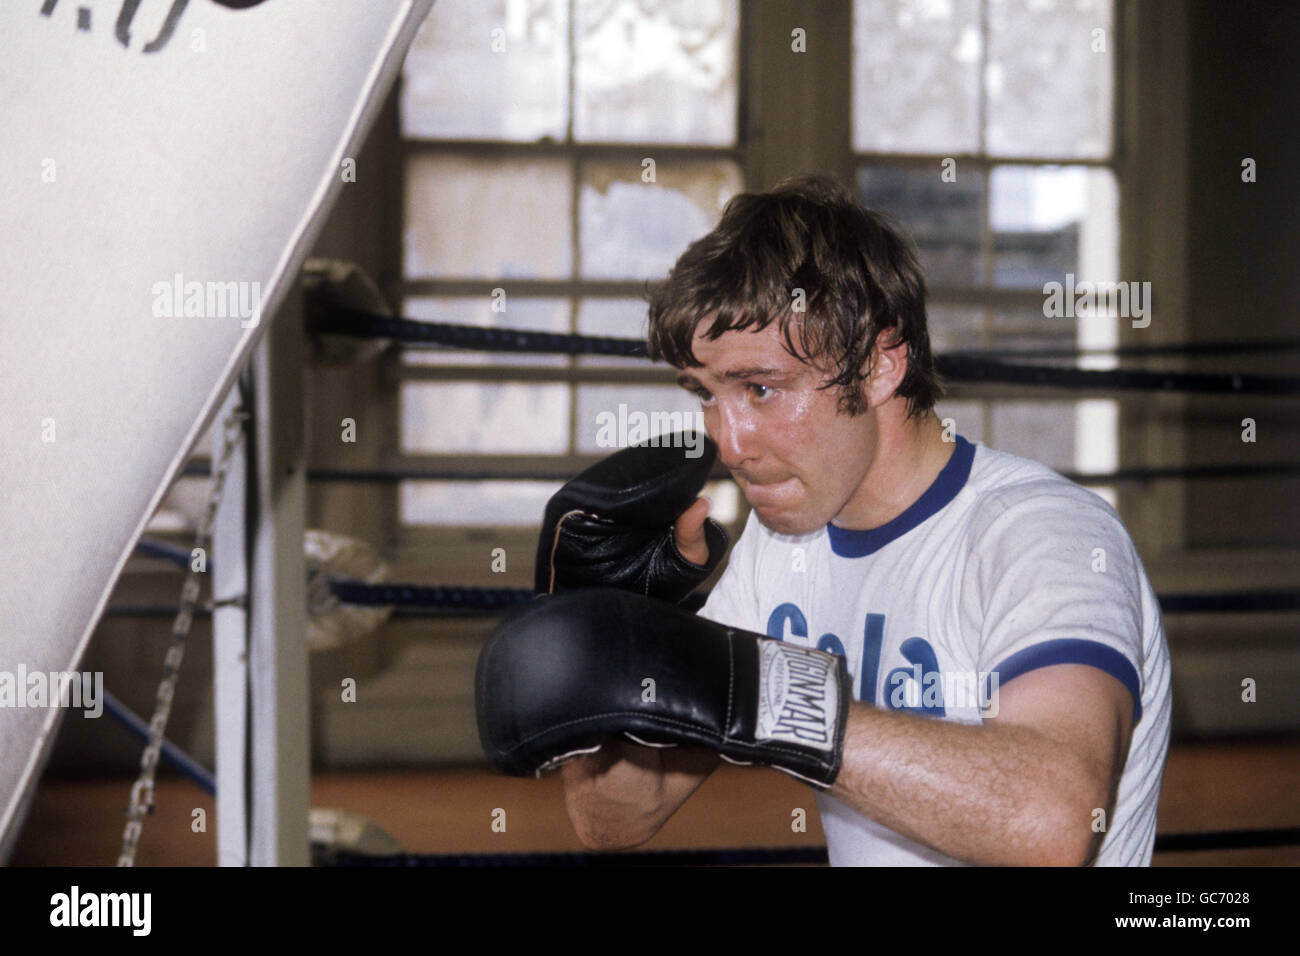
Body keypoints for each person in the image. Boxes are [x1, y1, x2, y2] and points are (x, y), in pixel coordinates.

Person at [558, 174, 1172, 866]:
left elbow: (1050, 822)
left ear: (880, 365)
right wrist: (607, 655)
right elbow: (617, 818)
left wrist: (768, 697)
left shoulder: (1044, 535)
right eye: (705, 394)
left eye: (761, 389)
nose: (728, 442)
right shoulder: (779, 544)